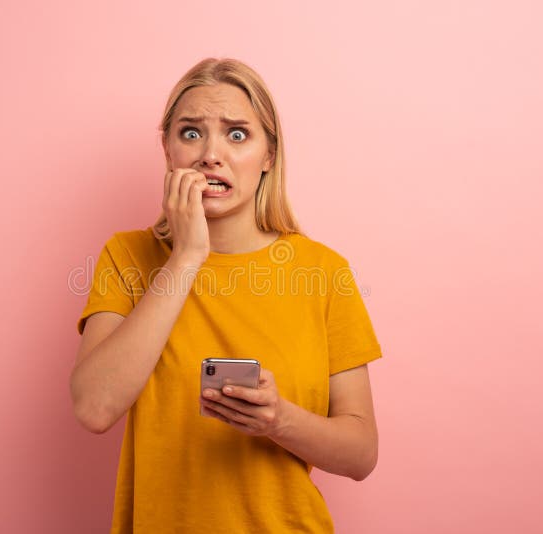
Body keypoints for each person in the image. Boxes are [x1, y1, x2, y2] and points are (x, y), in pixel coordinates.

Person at [70, 57, 383, 533]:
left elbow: (361, 454)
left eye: (237, 134)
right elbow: (94, 408)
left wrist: (279, 420)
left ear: (269, 155)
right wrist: (186, 256)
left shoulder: (323, 272)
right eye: (191, 133)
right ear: (168, 150)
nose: (210, 154)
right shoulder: (127, 257)